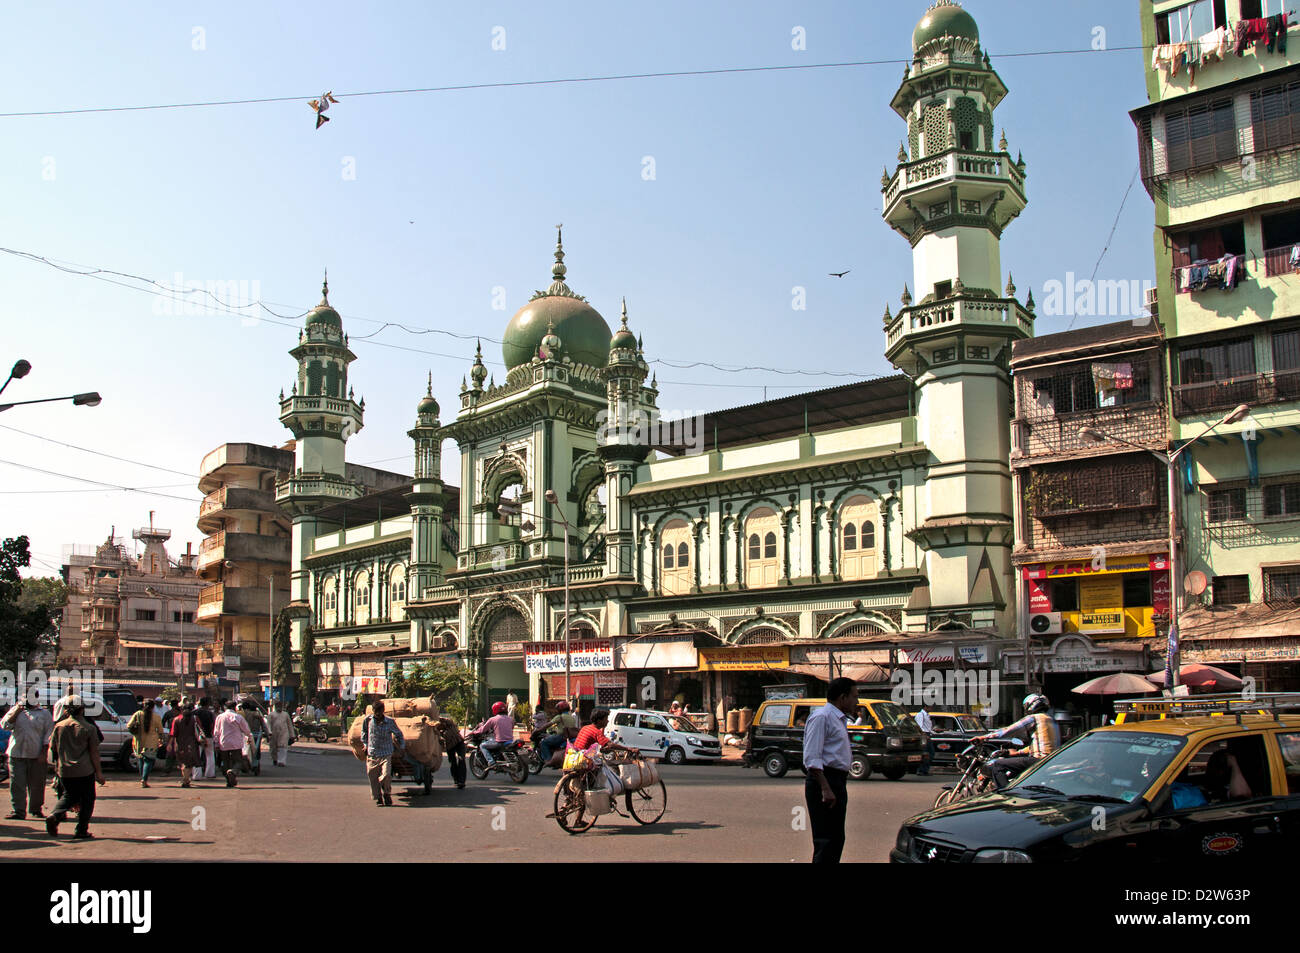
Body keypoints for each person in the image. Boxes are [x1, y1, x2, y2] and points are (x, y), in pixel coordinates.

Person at [803, 676, 858, 864]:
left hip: (837, 781)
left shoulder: (839, 718)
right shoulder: (822, 717)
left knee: (836, 840)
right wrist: (825, 788)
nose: (856, 701)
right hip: (825, 781)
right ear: (843, 697)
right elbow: (812, 757)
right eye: (854, 696)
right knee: (826, 841)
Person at [45, 695, 106, 840]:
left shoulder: (59, 726)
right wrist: (99, 773)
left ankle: (55, 815)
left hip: (65, 770)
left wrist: (56, 767)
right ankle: (81, 829)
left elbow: (53, 748)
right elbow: (94, 752)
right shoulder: (89, 728)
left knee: (69, 795)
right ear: (82, 709)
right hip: (84, 770)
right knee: (87, 800)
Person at [976, 693, 1060, 790]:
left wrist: (983, 737)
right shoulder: (1051, 720)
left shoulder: (1034, 718)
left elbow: (1009, 730)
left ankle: (1006, 794)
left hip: (1038, 760)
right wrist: (1017, 753)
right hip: (1050, 760)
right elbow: (1042, 745)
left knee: (997, 765)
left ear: (1030, 705)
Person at [2, 698, 55, 820]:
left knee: (37, 785)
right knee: (17, 785)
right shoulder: (16, 710)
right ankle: (18, 811)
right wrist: (17, 711)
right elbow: (5, 726)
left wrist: (43, 753)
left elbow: (48, 734)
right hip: (17, 754)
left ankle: (36, 809)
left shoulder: (44, 713)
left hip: (36, 755)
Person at [361, 701, 406, 806]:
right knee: (372, 776)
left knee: (386, 775)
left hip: (386, 753)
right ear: (373, 710)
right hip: (372, 753)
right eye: (375, 711)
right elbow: (364, 733)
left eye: (379, 711)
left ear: (383, 710)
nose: (377, 713)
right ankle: (378, 797)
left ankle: (387, 793)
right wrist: (365, 745)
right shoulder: (367, 720)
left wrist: (402, 747)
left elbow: (399, 734)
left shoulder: (390, 722)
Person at [213, 701, 252, 787]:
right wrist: (249, 736)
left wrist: (216, 744)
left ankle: (229, 781)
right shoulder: (238, 717)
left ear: (225, 707)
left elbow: (216, 732)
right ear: (234, 707)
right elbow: (246, 729)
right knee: (238, 761)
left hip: (224, 743)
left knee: (225, 762)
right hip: (236, 743)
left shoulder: (220, 717)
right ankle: (233, 771)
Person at [126, 700, 163, 788]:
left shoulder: (138, 714)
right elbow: (160, 730)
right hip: (151, 742)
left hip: (139, 741)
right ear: (153, 707)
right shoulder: (156, 717)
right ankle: (144, 779)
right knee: (149, 761)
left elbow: (129, 726)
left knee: (141, 760)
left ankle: (142, 778)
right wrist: (161, 739)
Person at [168, 701, 203, 787]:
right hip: (192, 743)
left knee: (183, 762)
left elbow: (173, 733)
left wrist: (169, 744)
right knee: (189, 763)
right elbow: (200, 729)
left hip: (179, 743)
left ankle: (186, 779)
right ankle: (186, 780)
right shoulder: (194, 719)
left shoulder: (176, 719)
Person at [472, 702, 514, 766]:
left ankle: (491, 762)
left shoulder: (493, 719)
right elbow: (511, 727)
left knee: (482, 745)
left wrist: (474, 732)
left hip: (500, 742)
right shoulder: (511, 719)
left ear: (495, 710)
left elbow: (483, 729)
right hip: (510, 741)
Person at [539, 700, 578, 766]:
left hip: (561, 737)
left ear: (560, 709)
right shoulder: (572, 717)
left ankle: (548, 760)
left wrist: (539, 729)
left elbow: (548, 724)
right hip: (570, 737)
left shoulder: (559, 717)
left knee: (543, 743)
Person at [437, 715, 467, 789]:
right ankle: (456, 780)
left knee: (461, 759)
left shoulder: (450, 724)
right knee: (453, 762)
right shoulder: (440, 733)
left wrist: (438, 719)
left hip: (459, 743)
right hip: (450, 746)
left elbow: (447, 720)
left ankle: (462, 781)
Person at [194, 698, 218, 779]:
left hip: (197, 736)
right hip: (208, 736)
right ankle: (210, 773)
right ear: (208, 704)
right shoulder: (210, 713)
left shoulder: (195, 712)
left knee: (197, 755)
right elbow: (212, 725)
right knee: (210, 754)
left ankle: (196, 775)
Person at [265, 700, 294, 767]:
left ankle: (281, 761)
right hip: (273, 733)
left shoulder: (285, 714)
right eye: (278, 706)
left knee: (283, 746)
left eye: (280, 706)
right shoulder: (271, 714)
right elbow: (268, 724)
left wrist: (292, 735)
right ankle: (275, 759)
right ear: (275, 707)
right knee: (273, 748)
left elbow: (289, 725)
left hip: (284, 733)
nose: (279, 707)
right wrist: (269, 732)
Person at [240, 700, 266, 774]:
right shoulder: (254, 713)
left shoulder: (240, 714)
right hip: (253, 734)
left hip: (243, 735)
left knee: (244, 750)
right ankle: (255, 764)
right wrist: (265, 730)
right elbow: (261, 720)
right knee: (255, 750)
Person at [914, 704, 933, 777]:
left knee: (930, 753)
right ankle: (921, 770)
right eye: (930, 707)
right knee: (925, 753)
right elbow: (919, 726)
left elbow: (927, 726)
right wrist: (925, 735)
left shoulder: (927, 715)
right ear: (925, 707)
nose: (931, 708)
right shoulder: (920, 715)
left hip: (928, 733)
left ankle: (925, 770)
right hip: (924, 735)